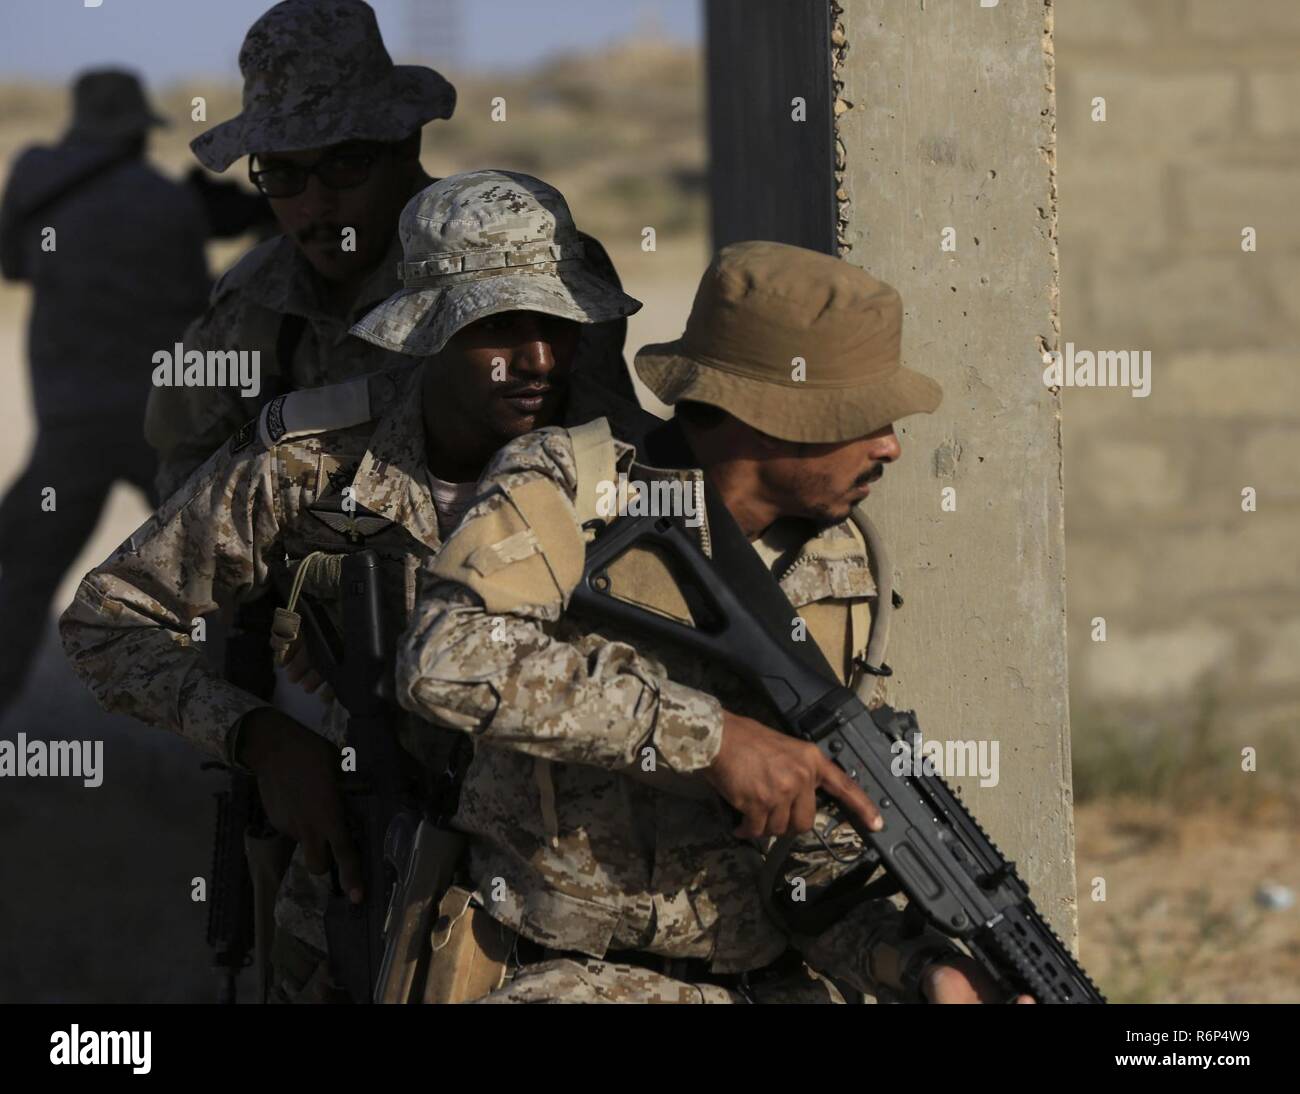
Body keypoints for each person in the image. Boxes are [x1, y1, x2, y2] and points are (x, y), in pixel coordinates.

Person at [59, 169, 646, 1003]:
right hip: (374, 877)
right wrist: (259, 740)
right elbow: (108, 620)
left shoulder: (629, 474)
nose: (540, 360)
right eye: (498, 328)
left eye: (558, 324)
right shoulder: (316, 463)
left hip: (576, 908)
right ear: (429, 331)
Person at [397, 240, 1035, 1003]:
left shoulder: (841, 564)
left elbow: (810, 877)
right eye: (863, 416)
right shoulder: (577, 484)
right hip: (564, 978)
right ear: (766, 414)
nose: (891, 445)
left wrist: (921, 970)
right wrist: (711, 740)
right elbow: (447, 660)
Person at [148, 0, 633, 501]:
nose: (316, 206)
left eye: (345, 164)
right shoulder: (249, 300)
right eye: (282, 173)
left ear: (405, 148)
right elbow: (186, 472)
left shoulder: (525, 263)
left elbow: (605, 465)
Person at [0, 68, 211, 725]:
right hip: (160, 423)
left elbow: (12, 264)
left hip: (69, 428)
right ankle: (245, 742)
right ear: (139, 132)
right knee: (217, 576)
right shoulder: (170, 201)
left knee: (21, 582)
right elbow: (199, 302)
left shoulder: (41, 184)